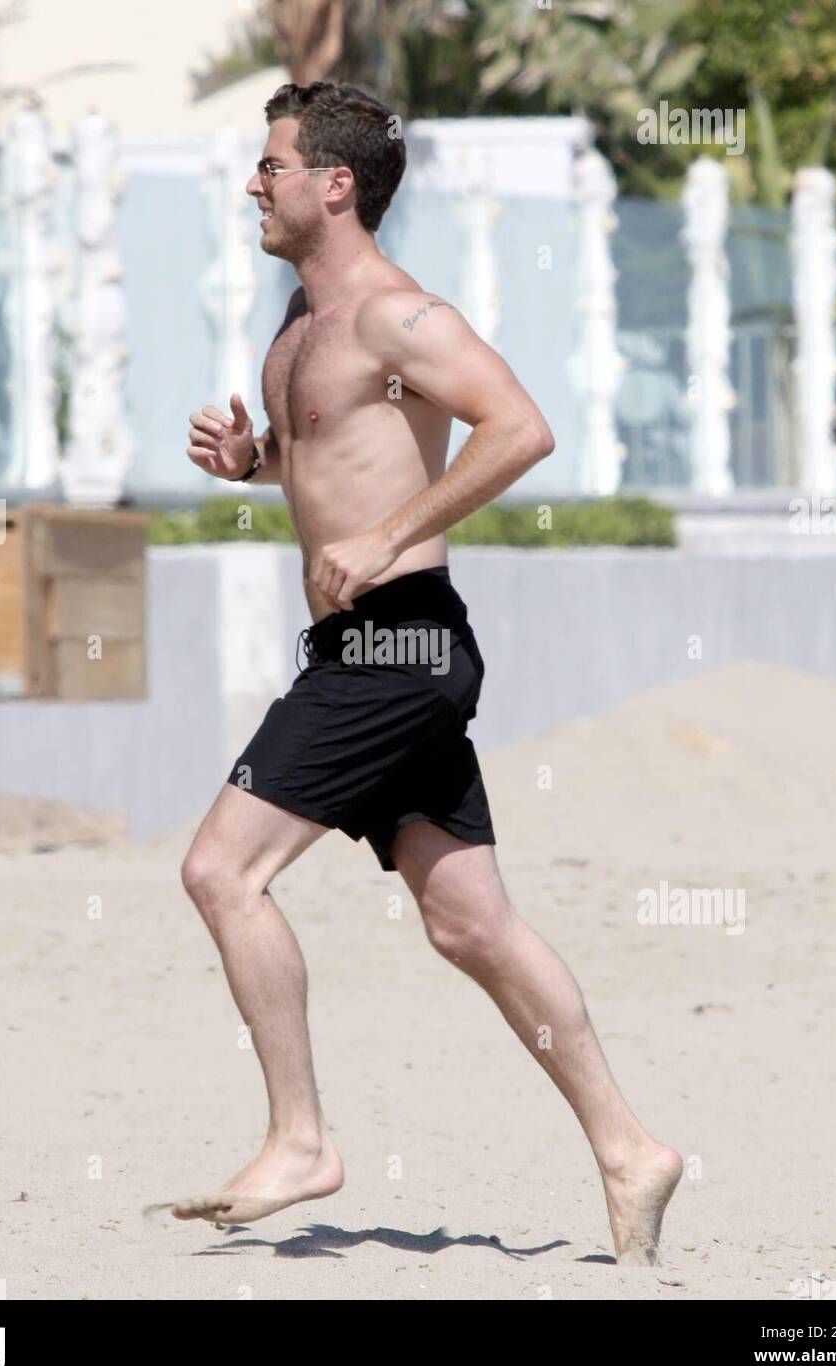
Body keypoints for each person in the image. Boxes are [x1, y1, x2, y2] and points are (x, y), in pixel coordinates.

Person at [172, 81, 682, 1265]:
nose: (254, 182)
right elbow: (336, 462)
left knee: (220, 871)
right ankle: (628, 1147)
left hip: (398, 643)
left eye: (273, 164)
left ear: (334, 186)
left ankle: (299, 1138)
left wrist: (386, 536)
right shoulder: (300, 321)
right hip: (369, 647)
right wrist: (254, 462)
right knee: (469, 922)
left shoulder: (404, 319)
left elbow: (519, 428)